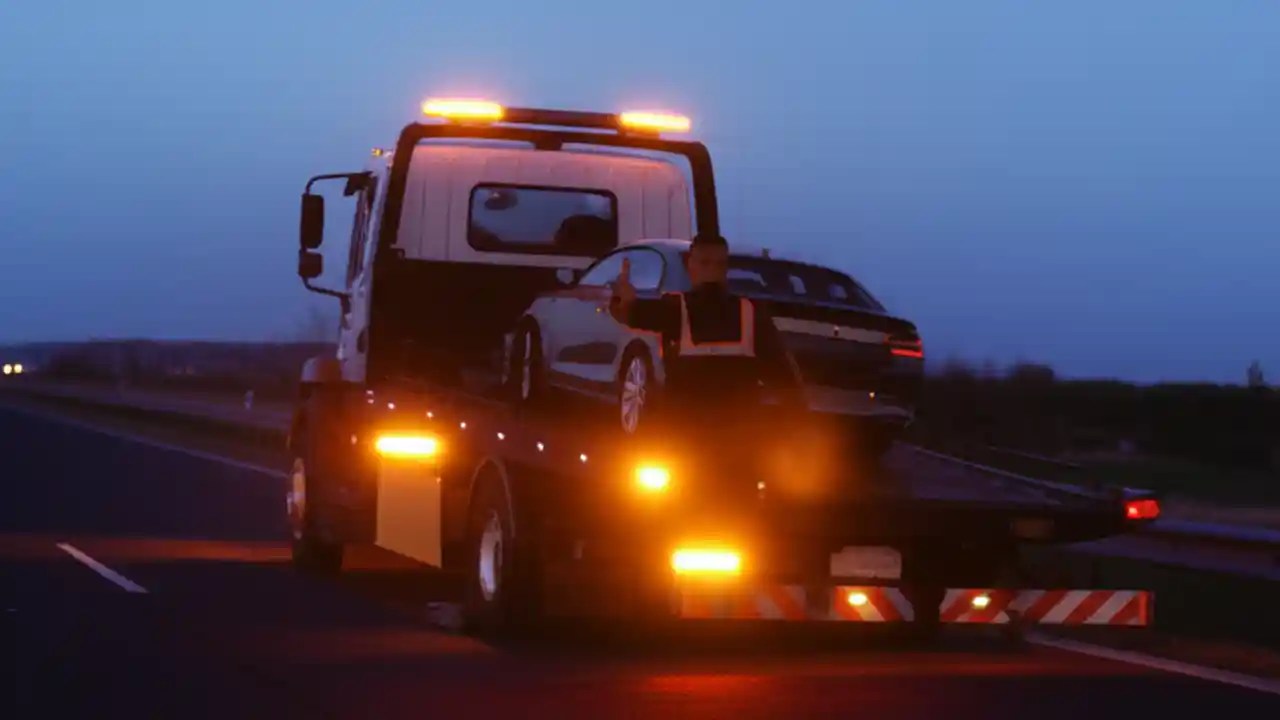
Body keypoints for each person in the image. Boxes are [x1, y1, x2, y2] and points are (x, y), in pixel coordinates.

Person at [609, 233, 806, 440]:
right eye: (707, 263)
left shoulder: (675, 308)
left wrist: (623, 297)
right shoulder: (751, 312)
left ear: (690, 266)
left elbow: (627, 313)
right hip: (741, 436)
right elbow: (785, 376)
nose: (711, 271)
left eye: (716, 265)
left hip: (686, 435)